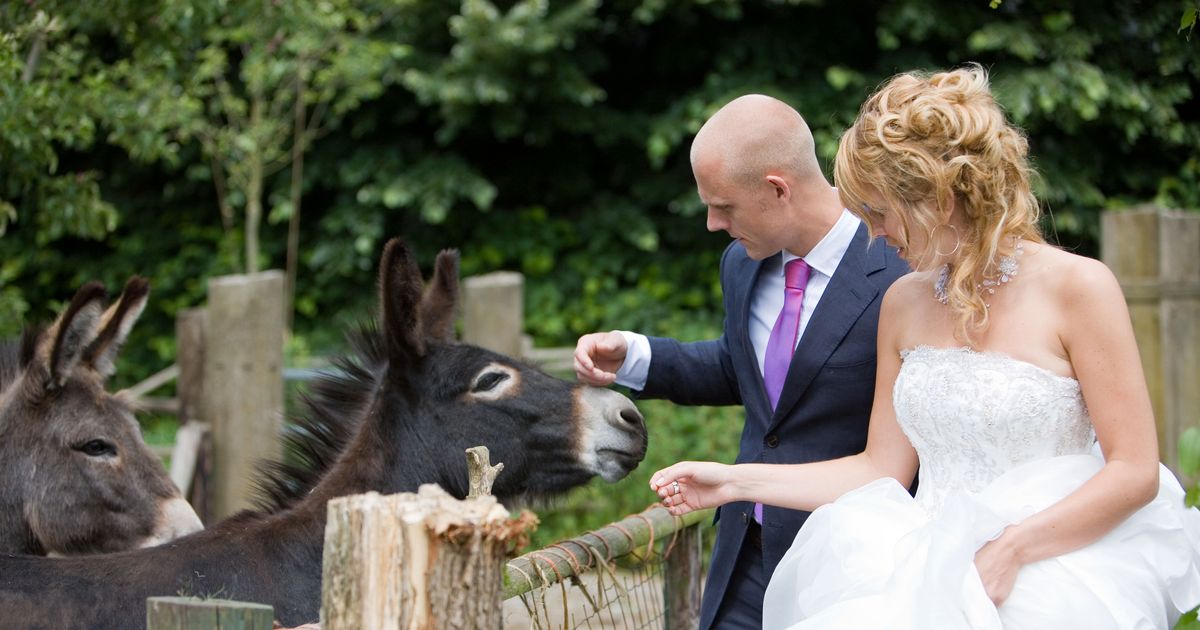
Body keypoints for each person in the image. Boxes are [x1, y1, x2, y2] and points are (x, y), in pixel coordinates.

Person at [649, 65, 1200, 629]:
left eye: (880, 212)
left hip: (1056, 574)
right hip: (921, 570)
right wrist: (734, 481)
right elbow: (878, 470)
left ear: (939, 198)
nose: (874, 233)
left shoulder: (1079, 288)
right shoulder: (904, 301)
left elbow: (1134, 471)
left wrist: (1013, 549)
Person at [574, 94, 907, 629]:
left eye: (724, 206)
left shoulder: (901, 270)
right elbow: (744, 372)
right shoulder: (742, 262)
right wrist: (636, 356)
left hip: (859, 569)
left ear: (778, 189)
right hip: (745, 557)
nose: (712, 223)